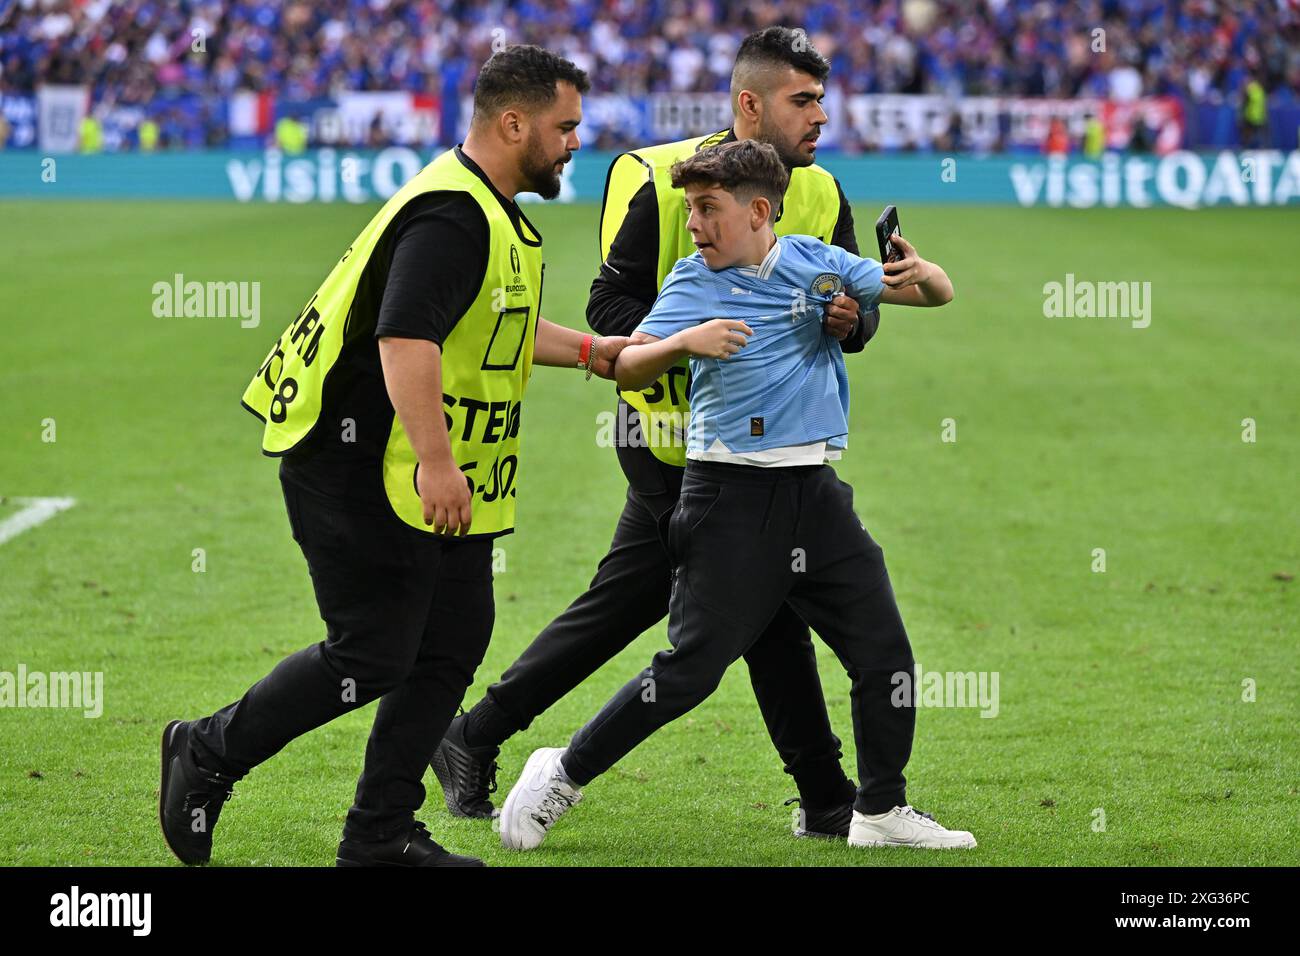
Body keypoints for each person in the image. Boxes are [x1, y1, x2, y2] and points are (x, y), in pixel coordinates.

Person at [158, 45, 627, 868]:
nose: (573, 142)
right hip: (357, 461)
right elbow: (405, 335)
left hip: (410, 463)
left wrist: (597, 351)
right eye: (565, 126)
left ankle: (377, 836)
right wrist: (437, 462)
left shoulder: (479, 206)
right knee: (374, 649)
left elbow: (492, 325)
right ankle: (205, 752)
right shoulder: (453, 215)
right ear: (513, 123)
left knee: (452, 637)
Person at [434, 26, 879, 839]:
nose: (821, 115)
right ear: (750, 105)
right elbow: (609, 313)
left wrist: (852, 320)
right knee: (756, 611)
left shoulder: (822, 193)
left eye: (822, 98)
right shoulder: (653, 176)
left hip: (762, 450)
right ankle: (826, 797)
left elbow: (851, 316)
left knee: (648, 603)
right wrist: (701, 343)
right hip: (673, 443)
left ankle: (475, 733)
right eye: (803, 100)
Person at [497, 140, 976, 853]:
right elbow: (627, 367)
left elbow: (931, 295)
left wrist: (925, 272)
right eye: (690, 208)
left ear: (759, 211)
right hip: (730, 499)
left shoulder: (817, 262)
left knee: (886, 656)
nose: (693, 224)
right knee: (687, 674)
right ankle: (559, 775)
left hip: (815, 494)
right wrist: (687, 341)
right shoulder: (693, 280)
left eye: (706, 209)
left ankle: (878, 809)